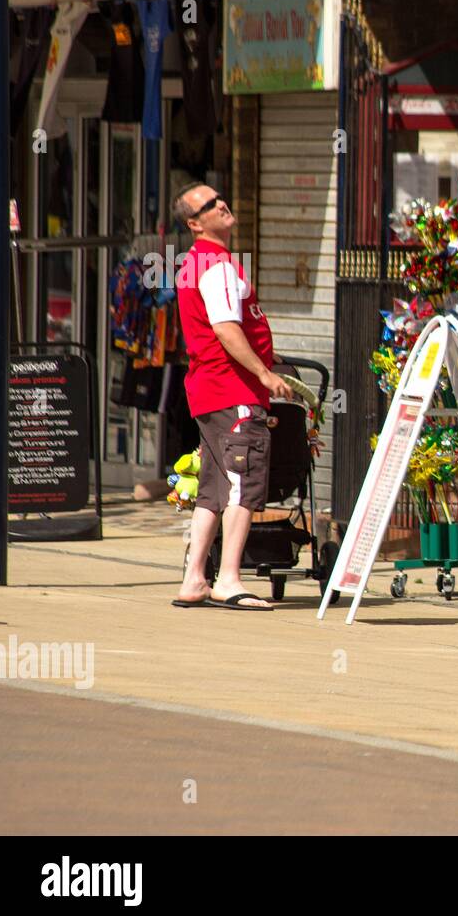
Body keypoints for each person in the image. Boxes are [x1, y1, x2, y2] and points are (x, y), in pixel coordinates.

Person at [170, 182, 293, 611]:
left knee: (213, 488)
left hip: (208, 391)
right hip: (233, 390)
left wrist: (264, 351)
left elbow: (213, 325)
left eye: (220, 197)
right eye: (209, 204)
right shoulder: (218, 265)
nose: (222, 204)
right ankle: (229, 579)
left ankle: (194, 579)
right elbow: (225, 328)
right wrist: (263, 371)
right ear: (194, 222)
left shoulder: (191, 264)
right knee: (243, 485)